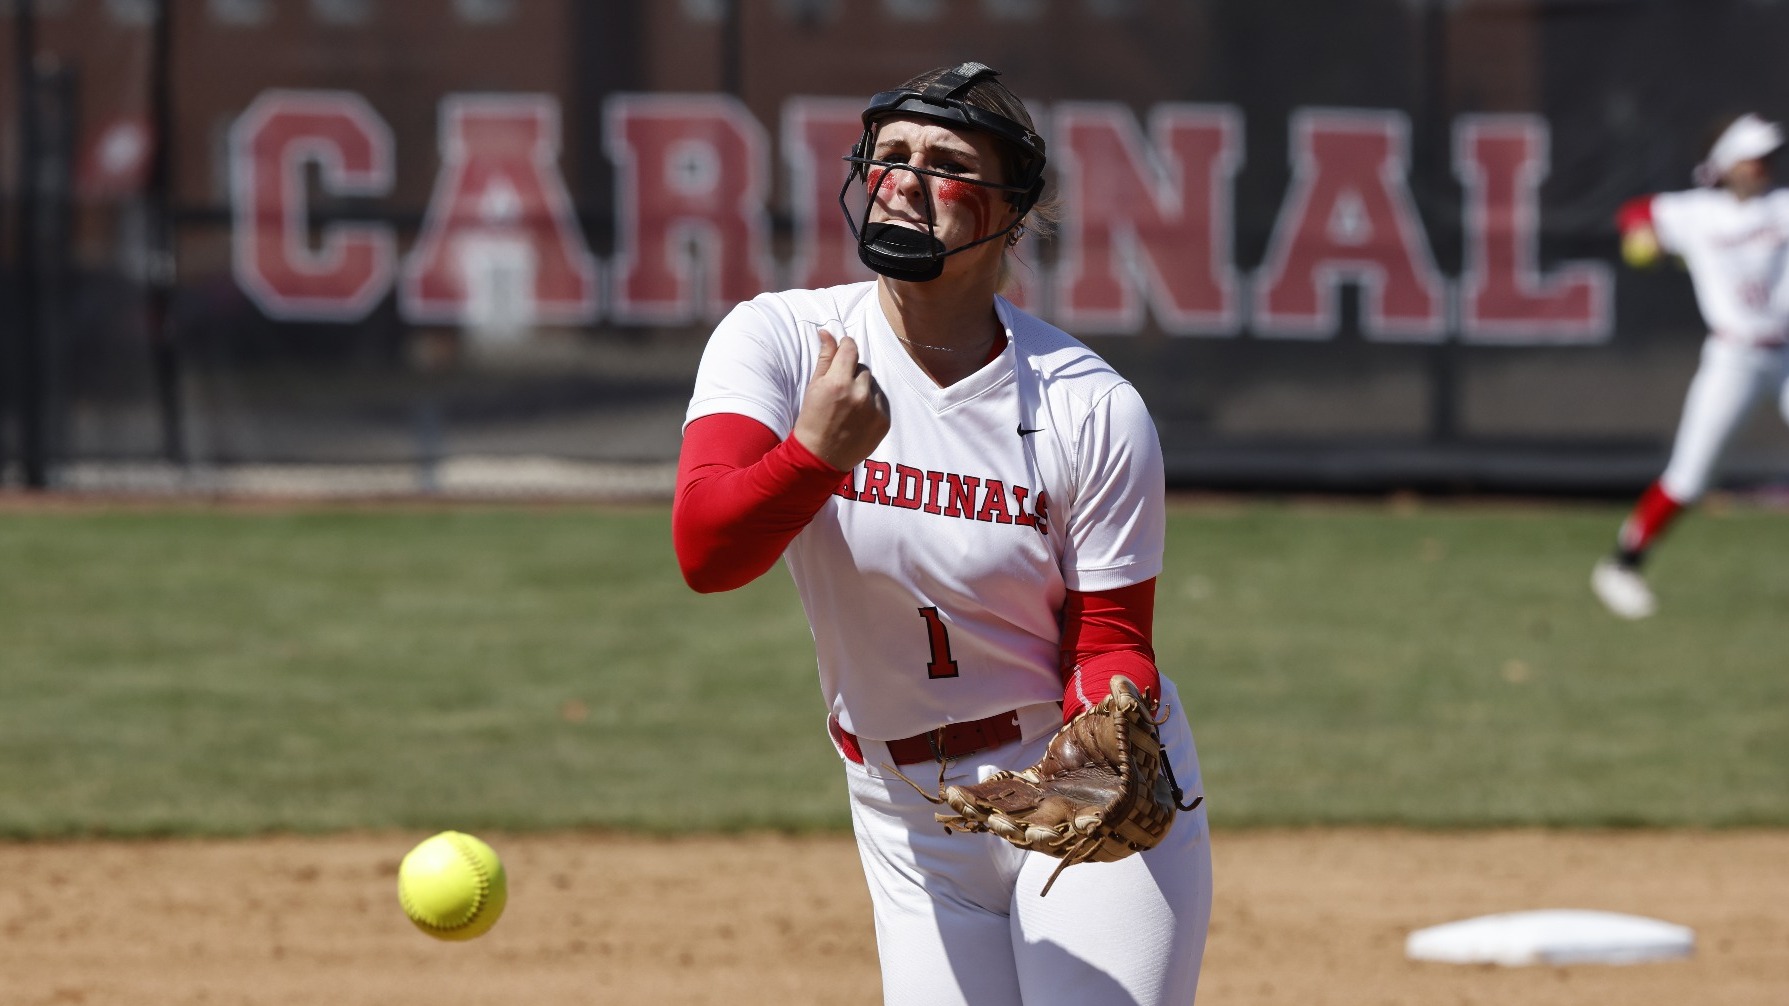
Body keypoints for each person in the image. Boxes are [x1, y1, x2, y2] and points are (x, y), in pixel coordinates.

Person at [673, 62, 1211, 1004]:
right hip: (906, 814)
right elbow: (707, 554)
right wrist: (814, 453)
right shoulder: (784, 342)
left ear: (1010, 207)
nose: (906, 179)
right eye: (889, 155)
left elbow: (1111, 636)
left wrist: (1113, 722)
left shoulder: (1089, 405)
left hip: (1066, 778)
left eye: (945, 160)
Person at [1593, 112, 1789, 620]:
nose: (1764, 165)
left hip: (1786, 352)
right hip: (1734, 357)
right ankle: (1622, 565)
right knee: (1690, 476)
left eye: (1767, 157)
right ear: (1727, 163)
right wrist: (1645, 237)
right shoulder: (1696, 213)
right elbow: (1633, 213)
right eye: (1753, 157)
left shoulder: (1782, 207)